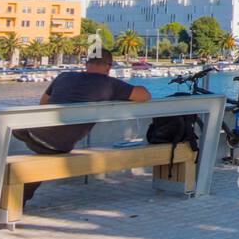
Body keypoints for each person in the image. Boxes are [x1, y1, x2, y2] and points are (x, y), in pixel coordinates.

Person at [17, 48, 151, 204]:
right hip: (60, 143)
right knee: (53, 147)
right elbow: (145, 95)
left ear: (86, 63)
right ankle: (18, 198)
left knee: (43, 154)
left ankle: (17, 198)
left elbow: (43, 103)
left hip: (34, 132)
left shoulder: (64, 76)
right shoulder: (109, 84)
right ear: (109, 67)